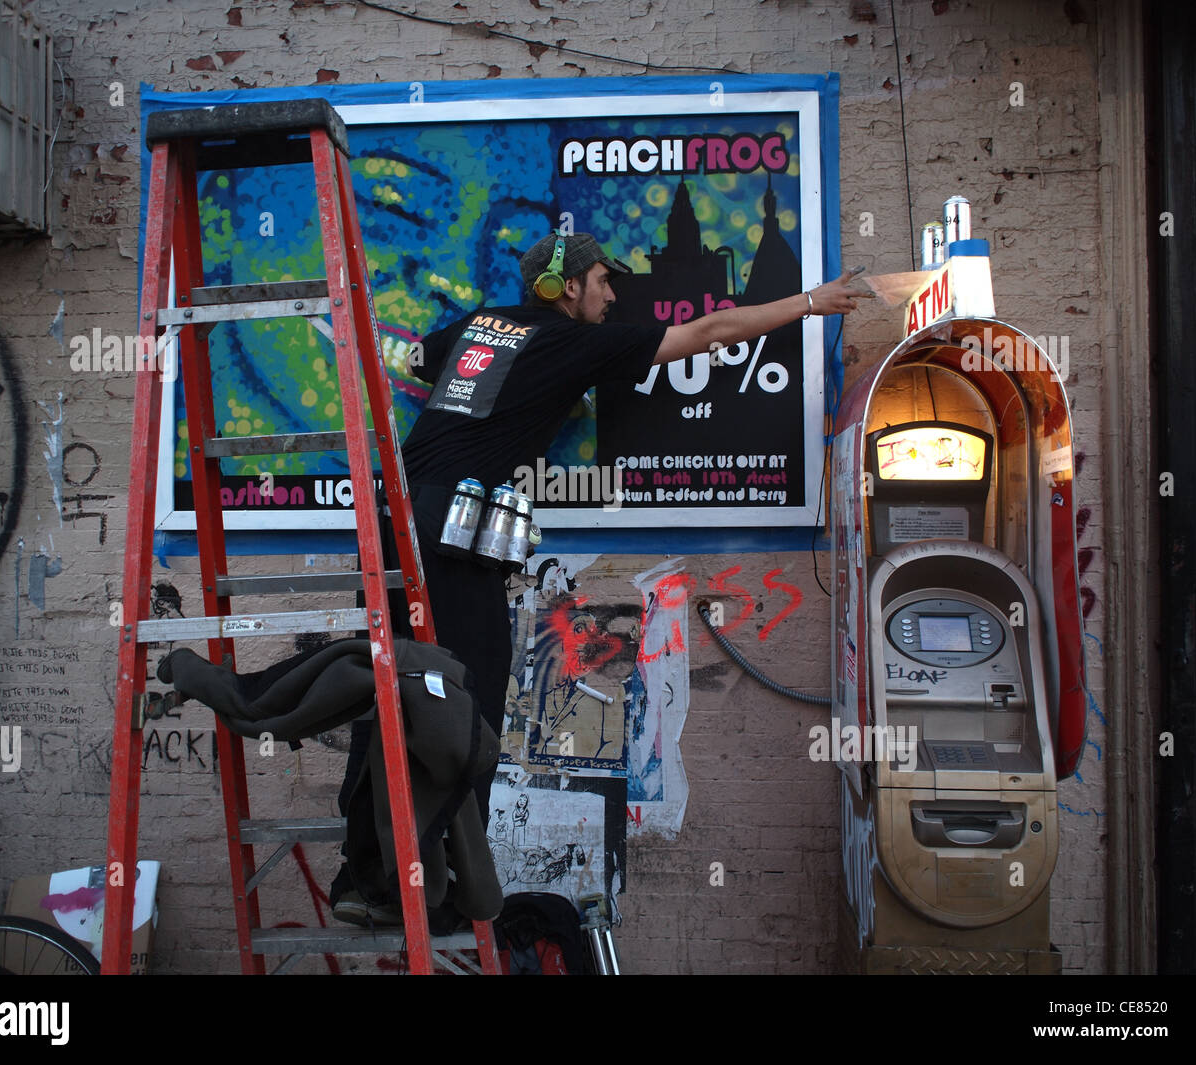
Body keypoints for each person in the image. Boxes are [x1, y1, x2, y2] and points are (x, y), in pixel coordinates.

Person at [332, 231, 865, 924]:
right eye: (603, 282)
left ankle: (362, 878)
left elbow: (418, 360)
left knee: (392, 698)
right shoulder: (569, 343)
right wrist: (811, 301)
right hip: (447, 544)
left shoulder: (480, 325)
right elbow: (709, 331)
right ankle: (423, 891)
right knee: (469, 711)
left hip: (389, 527)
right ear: (564, 286)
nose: (614, 295)